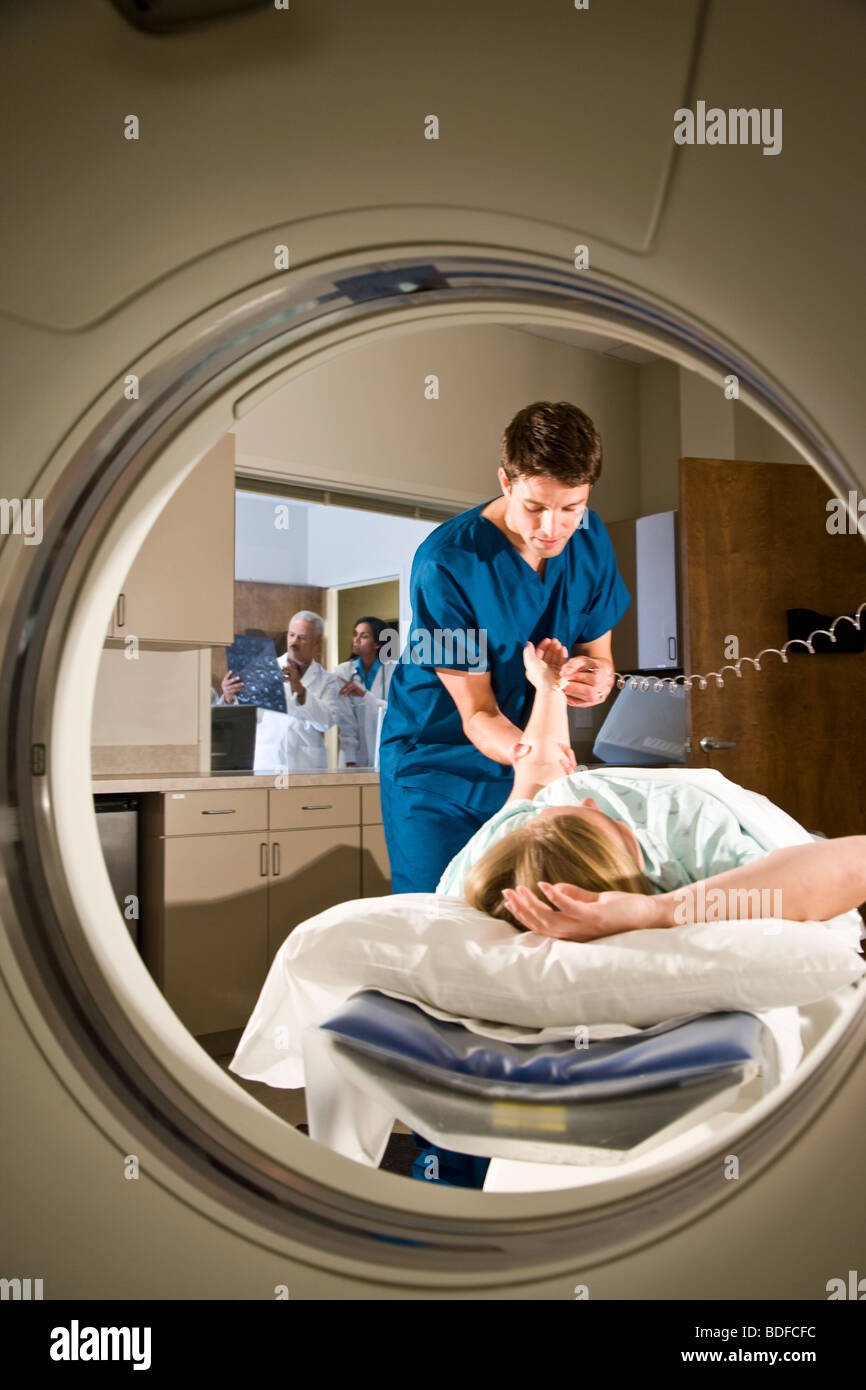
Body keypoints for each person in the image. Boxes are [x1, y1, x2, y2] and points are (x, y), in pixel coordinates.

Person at [412, 638, 866, 1189]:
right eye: (593, 820)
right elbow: (851, 864)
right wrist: (660, 910)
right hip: (718, 811)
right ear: (628, 859)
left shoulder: (493, 858)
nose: (586, 801)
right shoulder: (696, 851)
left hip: (580, 798)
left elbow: (536, 782)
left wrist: (549, 689)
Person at [379, 401, 631, 893]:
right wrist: (533, 757)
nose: (552, 529)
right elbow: (477, 714)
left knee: (526, 919)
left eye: (570, 509)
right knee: (442, 915)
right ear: (505, 482)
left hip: (521, 761)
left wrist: (596, 680)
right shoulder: (448, 562)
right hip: (435, 769)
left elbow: (600, 659)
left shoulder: (591, 539)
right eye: (535, 507)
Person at [219, 611, 341, 772]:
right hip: (269, 760)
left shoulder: (327, 681)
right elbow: (243, 719)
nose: (294, 642)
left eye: (302, 637)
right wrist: (229, 696)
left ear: (316, 642)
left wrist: (300, 689)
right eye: (291, 635)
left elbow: (326, 722)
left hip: (305, 765)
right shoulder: (261, 669)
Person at [334, 616, 397, 768]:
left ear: (377, 644)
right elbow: (344, 718)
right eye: (355, 634)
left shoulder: (392, 671)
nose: (356, 639)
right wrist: (350, 759)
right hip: (353, 756)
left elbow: (394, 712)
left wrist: (365, 696)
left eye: (364, 636)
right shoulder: (343, 671)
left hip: (385, 750)